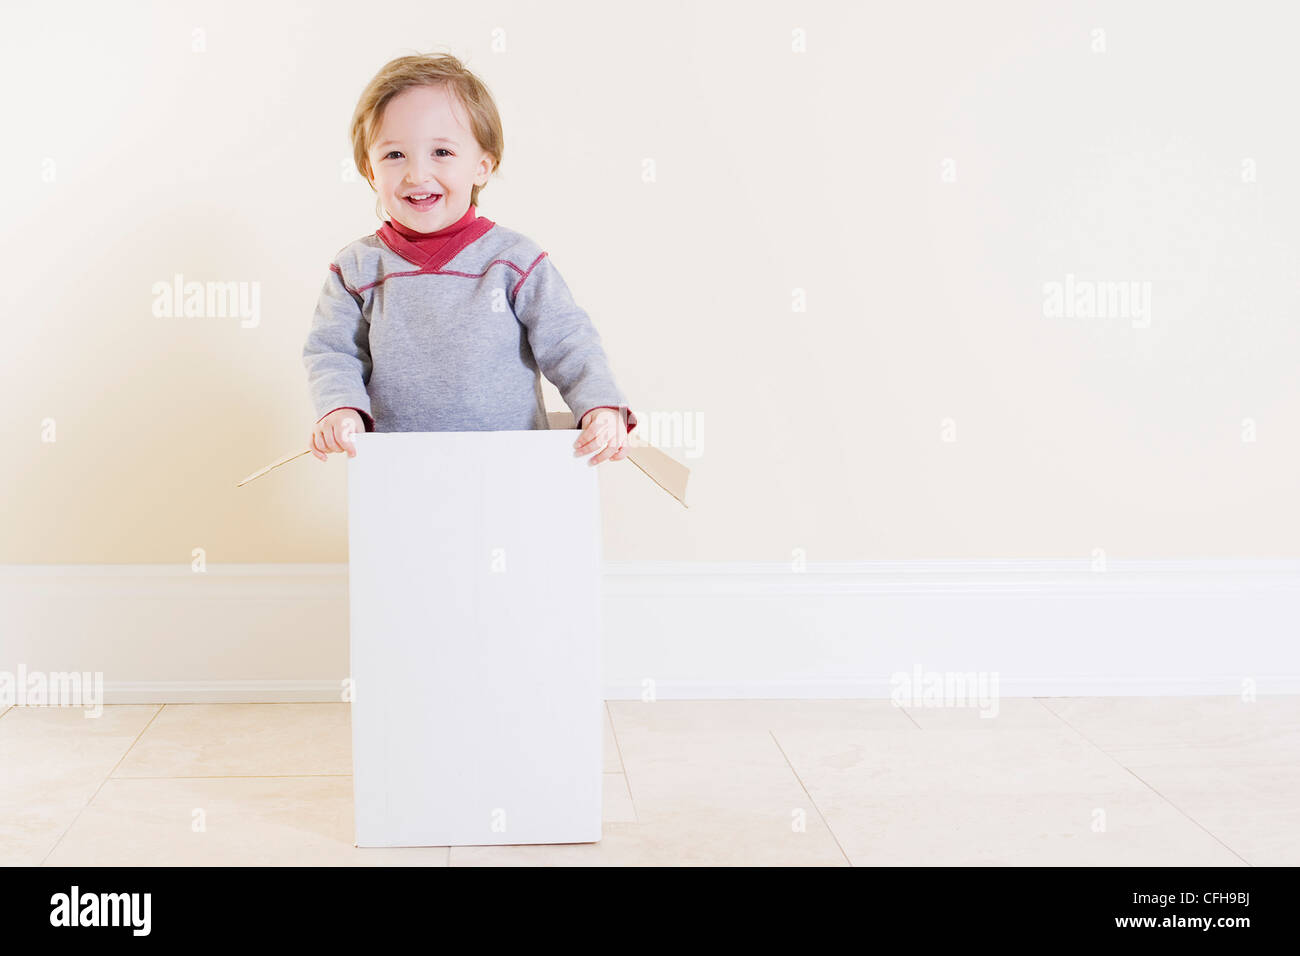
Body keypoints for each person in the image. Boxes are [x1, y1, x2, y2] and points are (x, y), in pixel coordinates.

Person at [303, 52, 637, 467]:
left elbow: (569, 339)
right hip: (400, 470)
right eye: (394, 155)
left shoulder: (513, 261)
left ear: (482, 166)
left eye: (441, 152)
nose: (416, 174)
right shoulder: (357, 268)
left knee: (508, 535)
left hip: (509, 467)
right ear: (370, 172)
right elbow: (332, 351)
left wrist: (600, 407)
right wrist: (340, 407)